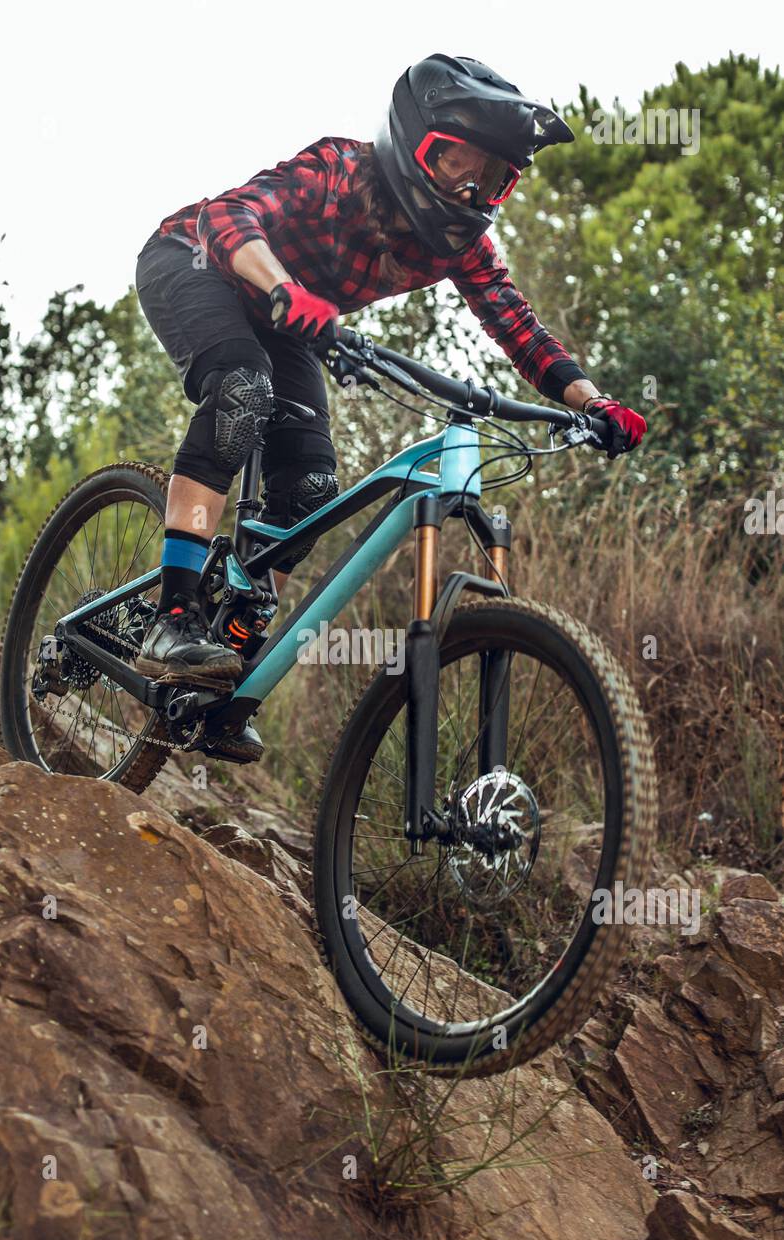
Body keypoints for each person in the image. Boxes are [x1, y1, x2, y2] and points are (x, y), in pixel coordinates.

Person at [135, 52, 647, 760]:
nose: (473, 190)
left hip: (290, 319)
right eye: (457, 164)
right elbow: (228, 217)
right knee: (242, 391)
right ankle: (173, 617)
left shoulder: (462, 246)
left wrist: (592, 402)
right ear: (412, 143)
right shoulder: (341, 172)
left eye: (495, 178)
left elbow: (515, 323)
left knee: (312, 491)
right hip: (194, 263)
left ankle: (227, 651)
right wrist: (285, 288)